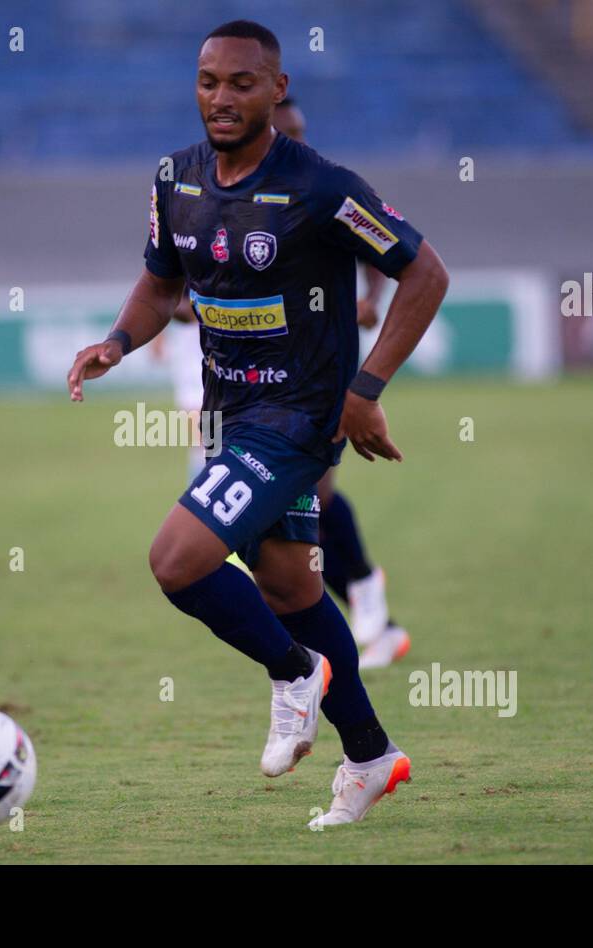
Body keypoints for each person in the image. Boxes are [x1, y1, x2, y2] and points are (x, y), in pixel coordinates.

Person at [67, 20, 448, 827]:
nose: (222, 97)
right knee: (290, 587)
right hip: (228, 413)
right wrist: (118, 341)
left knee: (176, 561)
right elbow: (159, 280)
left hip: (298, 421)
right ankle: (371, 755)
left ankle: (292, 673)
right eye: (209, 82)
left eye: (242, 82)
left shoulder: (318, 187)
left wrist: (366, 388)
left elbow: (425, 270)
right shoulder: (175, 179)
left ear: (277, 90)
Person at [155, 96, 411, 668]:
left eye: (295, 132)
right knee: (270, 530)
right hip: (219, 374)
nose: (289, 143)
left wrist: (368, 304)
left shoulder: (315, 191)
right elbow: (168, 280)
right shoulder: (201, 193)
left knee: (302, 501)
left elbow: (393, 258)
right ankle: (339, 643)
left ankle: (353, 609)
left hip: (302, 382)